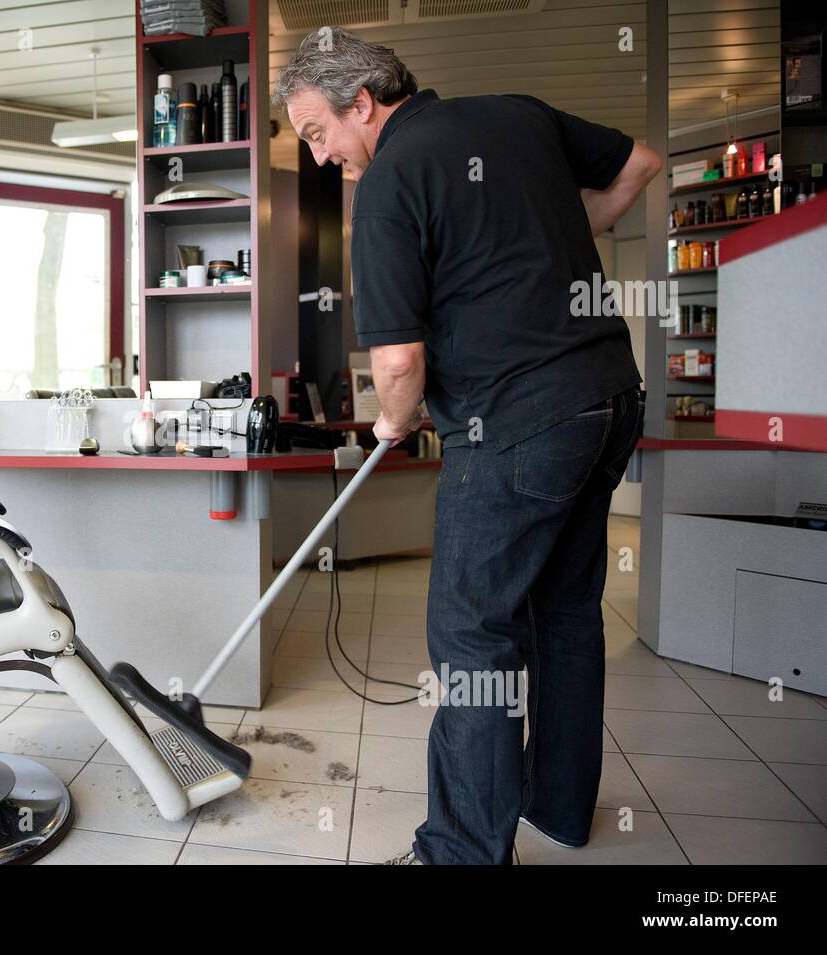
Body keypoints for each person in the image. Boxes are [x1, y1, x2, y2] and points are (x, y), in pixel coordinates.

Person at [276, 27, 661, 865]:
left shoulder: (387, 184)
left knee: (474, 636)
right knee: (563, 612)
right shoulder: (519, 116)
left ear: (363, 103)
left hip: (517, 422)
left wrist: (389, 421)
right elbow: (640, 162)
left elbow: (400, 363)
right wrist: (545, 260)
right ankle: (557, 808)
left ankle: (458, 852)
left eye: (318, 134)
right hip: (608, 398)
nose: (321, 157)